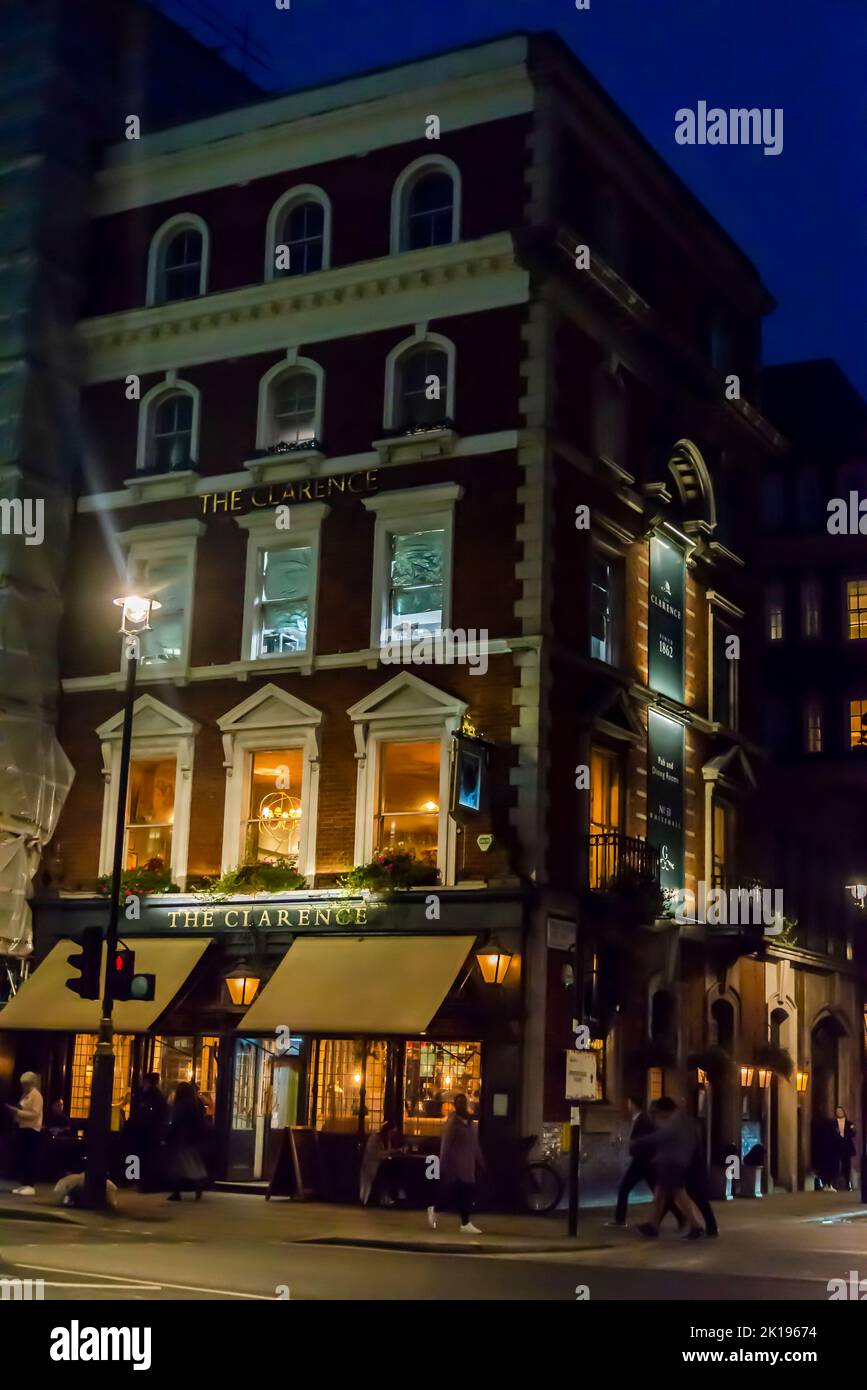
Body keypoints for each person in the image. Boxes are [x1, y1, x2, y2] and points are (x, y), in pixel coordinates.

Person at [630, 1096, 705, 1239]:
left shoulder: (675, 1121)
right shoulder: (683, 1120)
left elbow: (661, 1136)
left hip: (673, 1162)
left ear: (665, 1110)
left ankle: (696, 1226)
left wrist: (638, 1142)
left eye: (659, 1112)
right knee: (660, 1193)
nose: (658, 1115)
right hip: (673, 1161)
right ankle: (653, 1226)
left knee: (679, 1194)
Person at [428, 1093, 484, 1234]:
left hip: (468, 1163)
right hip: (457, 1164)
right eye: (458, 1102)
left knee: (461, 1193)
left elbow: (474, 1143)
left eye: (462, 1102)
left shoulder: (470, 1121)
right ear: (455, 1104)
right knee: (460, 1192)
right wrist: (443, 1163)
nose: (461, 1105)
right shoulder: (453, 1123)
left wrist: (480, 1160)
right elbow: (445, 1144)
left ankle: (459, 1220)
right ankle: (463, 1222)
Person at [609, 1095, 657, 1227]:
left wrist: (634, 1148)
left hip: (642, 1161)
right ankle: (680, 1216)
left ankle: (620, 1220)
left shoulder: (643, 1121)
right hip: (646, 1162)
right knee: (658, 1191)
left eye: (629, 1103)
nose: (627, 1106)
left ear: (634, 1104)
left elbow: (645, 1141)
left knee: (624, 1188)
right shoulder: (639, 1119)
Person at [164, 1081, 208, 1202]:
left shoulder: (180, 1105)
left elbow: (175, 1122)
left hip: (181, 1139)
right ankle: (198, 1184)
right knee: (192, 1164)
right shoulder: (196, 1103)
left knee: (178, 1167)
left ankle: (176, 1192)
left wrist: (167, 1135)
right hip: (193, 1139)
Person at [5, 1071, 43, 1196]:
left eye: (26, 1084)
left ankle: (30, 1184)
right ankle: (24, 1183)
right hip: (23, 1127)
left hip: (32, 1129)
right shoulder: (25, 1094)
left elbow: (35, 1114)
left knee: (30, 1157)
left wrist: (18, 1112)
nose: (24, 1087)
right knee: (23, 1156)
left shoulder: (36, 1096)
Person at [128, 1072, 167, 1192]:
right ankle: (143, 1182)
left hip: (144, 1131)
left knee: (138, 1156)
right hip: (149, 1133)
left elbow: (143, 1113)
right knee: (146, 1158)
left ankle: (137, 1181)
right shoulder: (157, 1096)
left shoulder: (145, 1095)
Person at [360, 1119, 406, 1205]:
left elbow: (386, 1153)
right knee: (385, 1171)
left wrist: (394, 1152)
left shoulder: (387, 1139)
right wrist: (393, 1152)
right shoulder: (375, 1138)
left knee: (396, 1167)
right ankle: (386, 1196)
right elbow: (376, 1154)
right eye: (392, 1131)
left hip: (381, 1163)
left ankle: (397, 1192)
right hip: (372, 1164)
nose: (393, 1134)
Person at [831, 1107, 856, 1192]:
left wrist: (851, 1130)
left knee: (846, 1165)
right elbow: (831, 1135)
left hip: (846, 1147)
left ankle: (847, 1183)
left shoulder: (849, 1123)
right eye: (837, 1111)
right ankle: (835, 1184)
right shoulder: (833, 1124)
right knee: (836, 1165)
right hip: (837, 1147)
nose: (839, 1113)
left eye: (840, 1111)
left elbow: (853, 1134)